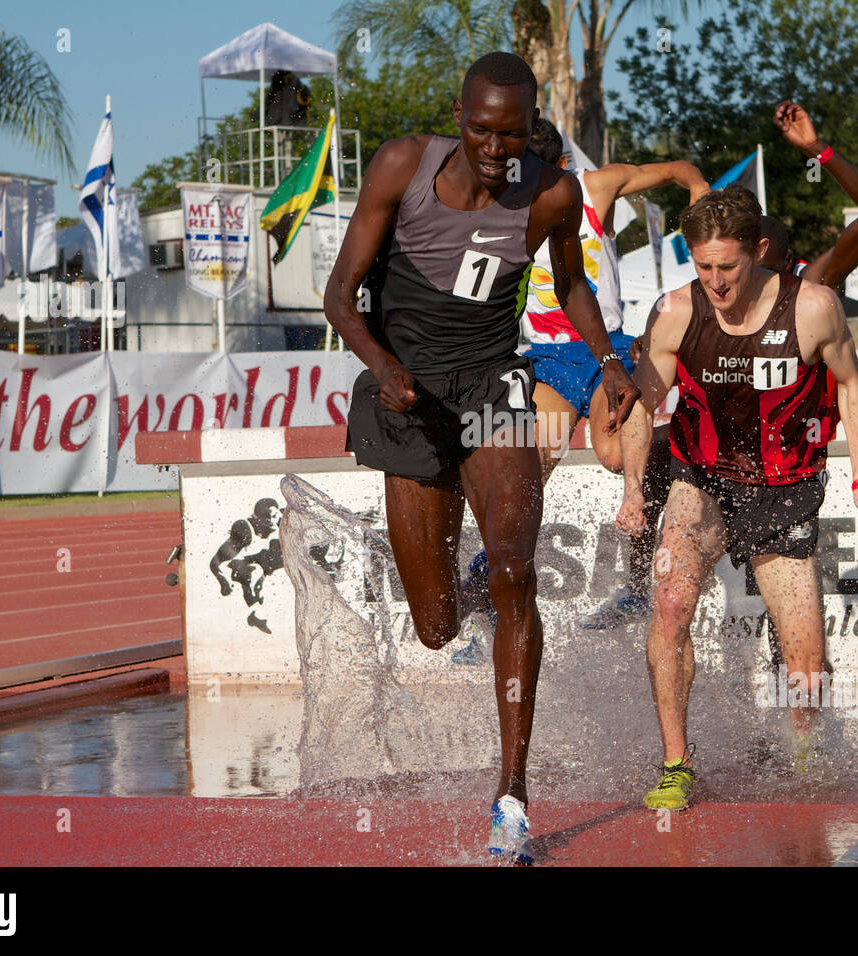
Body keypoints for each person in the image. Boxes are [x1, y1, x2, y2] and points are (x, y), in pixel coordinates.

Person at [322, 51, 639, 863]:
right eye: (482, 130)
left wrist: (607, 360)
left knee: (516, 568)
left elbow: (571, 284)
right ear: (458, 117)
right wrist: (381, 364)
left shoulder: (552, 192)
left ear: (534, 130)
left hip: (495, 384)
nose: (497, 149)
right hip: (409, 395)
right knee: (434, 628)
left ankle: (512, 797)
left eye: (514, 134)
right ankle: (465, 591)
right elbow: (341, 292)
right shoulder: (403, 165)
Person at [616, 186, 858, 810]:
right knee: (669, 606)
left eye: (728, 267)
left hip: (785, 489)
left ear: (759, 251)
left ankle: (803, 754)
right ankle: (675, 764)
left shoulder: (813, 307)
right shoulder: (676, 311)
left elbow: (852, 387)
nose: (714, 281)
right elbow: (640, 401)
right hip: (701, 480)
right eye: (703, 265)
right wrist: (635, 488)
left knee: (806, 666)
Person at [615, 100, 858, 649]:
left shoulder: (810, 294)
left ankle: (792, 694)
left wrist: (819, 151)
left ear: (771, 262)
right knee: (654, 453)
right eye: (708, 269)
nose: (725, 286)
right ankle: (636, 580)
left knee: (793, 642)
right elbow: (645, 398)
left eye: (744, 270)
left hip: (783, 474)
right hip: (713, 462)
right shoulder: (693, 300)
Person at [455, 118, 708, 640]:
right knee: (532, 464)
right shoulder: (499, 206)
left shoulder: (598, 188)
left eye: (546, 182)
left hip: (605, 353)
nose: (537, 194)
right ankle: (489, 588)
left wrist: (698, 189)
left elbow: (678, 169)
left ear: (567, 169)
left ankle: (647, 499)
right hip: (546, 360)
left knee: (616, 456)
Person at [210, 498, 284, 634]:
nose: (276, 521)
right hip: (239, 570)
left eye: (277, 516)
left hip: (257, 565)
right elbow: (215, 563)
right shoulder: (244, 531)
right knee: (257, 569)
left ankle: (259, 613)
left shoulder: (274, 524)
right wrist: (223, 582)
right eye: (272, 517)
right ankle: (254, 615)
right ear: (259, 518)